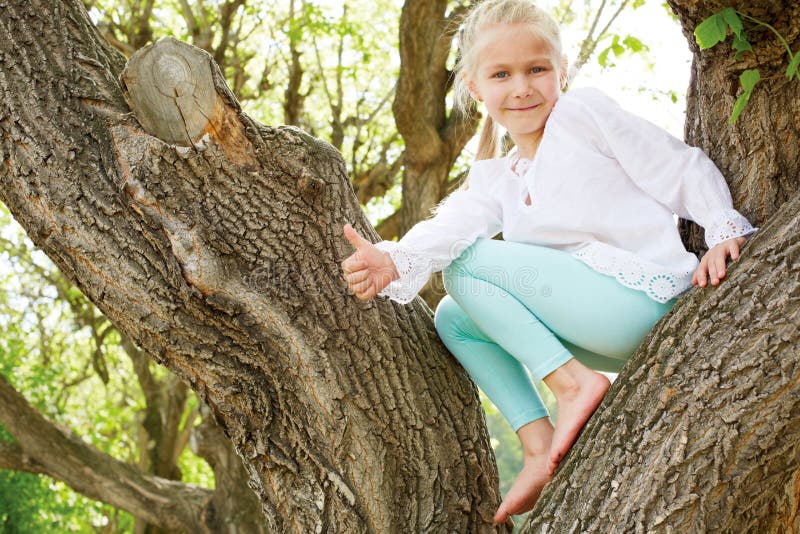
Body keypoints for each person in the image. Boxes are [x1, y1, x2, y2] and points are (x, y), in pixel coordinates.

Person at [339, 0, 757, 525]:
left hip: (642, 299)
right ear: (475, 88)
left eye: (536, 69)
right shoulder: (497, 177)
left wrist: (720, 226)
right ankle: (538, 444)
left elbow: (676, 166)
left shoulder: (584, 115)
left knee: (467, 266)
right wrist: (392, 259)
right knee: (455, 317)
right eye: (501, 74)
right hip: (596, 333)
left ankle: (572, 387)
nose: (522, 87)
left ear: (561, 70)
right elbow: (447, 230)